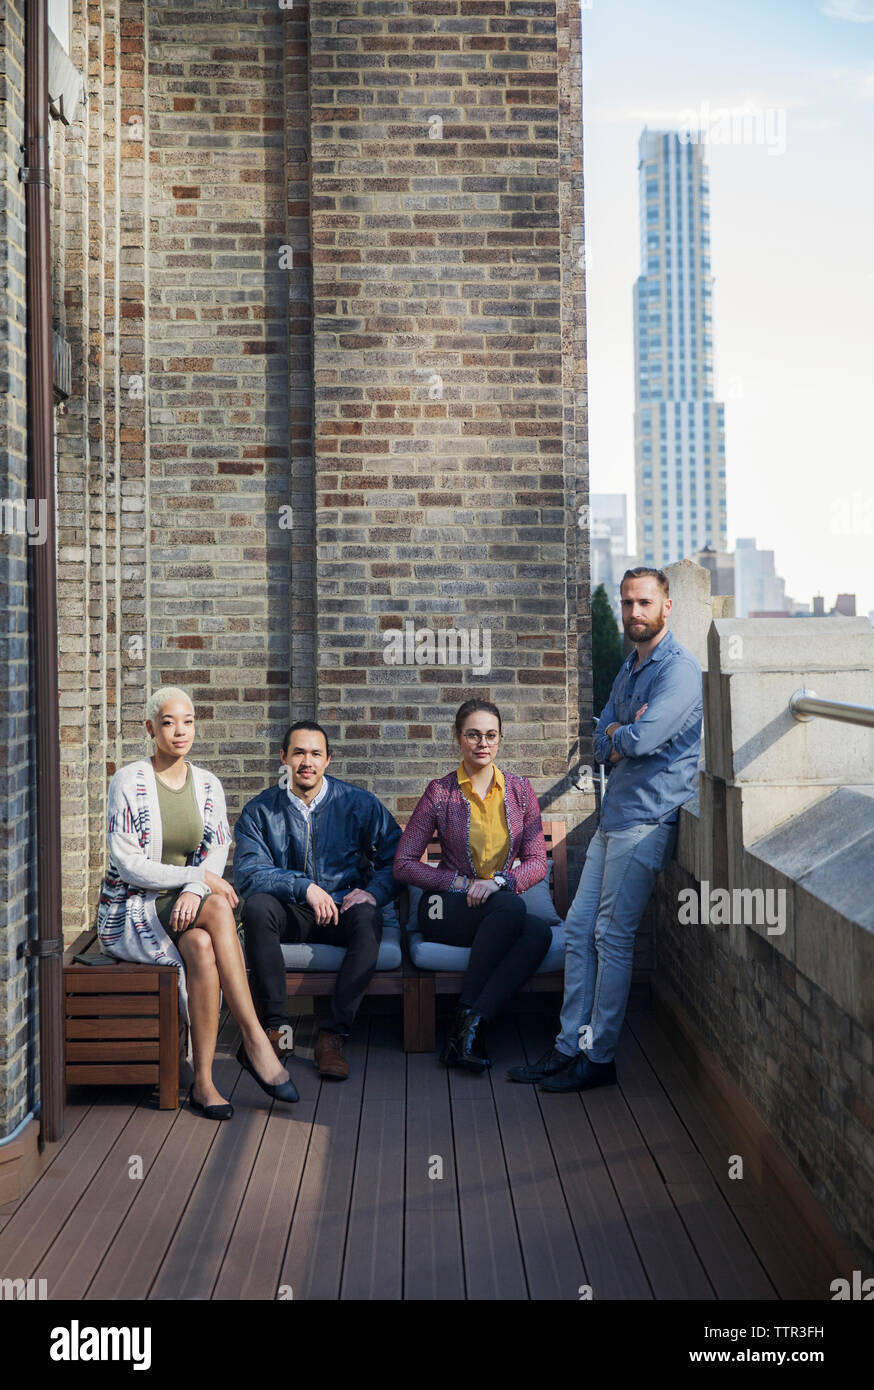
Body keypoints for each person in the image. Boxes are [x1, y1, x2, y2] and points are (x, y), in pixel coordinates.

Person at [508, 567, 703, 1092]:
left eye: (644, 602)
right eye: (626, 603)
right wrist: (619, 729)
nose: (633, 612)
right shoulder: (631, 667)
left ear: (667, 607)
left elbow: (639, 742)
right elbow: (601, 739)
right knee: (578, 931)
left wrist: (622, 732)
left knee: (612, 939)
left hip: (646, 823)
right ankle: (568, 1046)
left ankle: (599, 1059)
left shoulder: (679, 672)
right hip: (613, 820)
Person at [96, 687, 299, 1120]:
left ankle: (205, 1082)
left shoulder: (207, 783)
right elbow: (127, 864)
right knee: (221, 907)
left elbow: (217, 849)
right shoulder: (128, 781)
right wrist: (197, 880)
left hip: (187, 902)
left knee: (203, 947)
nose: (179, 731)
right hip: (131, 908)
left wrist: (193, 887)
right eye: (168, 722)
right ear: (150, 728)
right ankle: (254, 1037)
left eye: (187, 721)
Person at [233, 720, 402, 1081]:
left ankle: (332, 1037)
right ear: (283, 758)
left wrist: (372, 892)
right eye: (298, 753)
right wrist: (304, 887)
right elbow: (249, 873)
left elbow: (397, 857)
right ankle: (277, 1031)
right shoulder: (260, 811)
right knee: (258, 907)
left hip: (344, 909)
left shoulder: (358, 803)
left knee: (369, 920)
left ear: (328, 760)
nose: (306, 762)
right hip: (293, 911)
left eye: (315, 754)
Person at [393, 699, 551, 1072]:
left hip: (496, 909)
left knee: (539, 934)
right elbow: (403, 864)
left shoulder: (520, 792)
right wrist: (461, 883)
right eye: (473, 735)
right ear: (458, 738)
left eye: (491, 735)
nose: (483, 743)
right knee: (513, 908)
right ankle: (464, 1029)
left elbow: (536, 863)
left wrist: (500, 881)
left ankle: (467, 1027)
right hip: (444, 909)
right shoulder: (440, 793)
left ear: (499, 740)